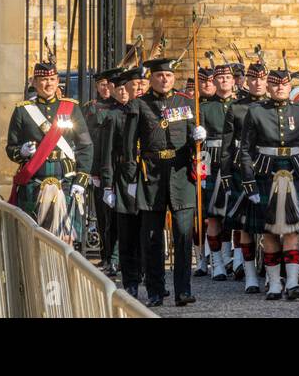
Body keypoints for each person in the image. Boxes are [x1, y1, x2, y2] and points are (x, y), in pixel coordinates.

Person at [111, 57, 206, 309]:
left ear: (174, 78)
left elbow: (196, 142)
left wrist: (200, 138)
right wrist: (131, 180)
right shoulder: (139, 105)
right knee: (152, 237)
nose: (165, 79)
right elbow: (130, 146)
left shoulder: (186, 103)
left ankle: (183, 290)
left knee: (183, 236)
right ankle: (155, 290)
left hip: (180, 175)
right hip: (151, 175)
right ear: (151, 78)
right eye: (160, 75)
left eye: (169, 76)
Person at [240, 63, 299, 301]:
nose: (280, 88)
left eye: (284, 84)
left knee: (293, 231)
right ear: (269, 86)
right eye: (275, 84)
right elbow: (245, 151)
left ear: (290, 85)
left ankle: (294, 283)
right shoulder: (256, 112)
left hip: (295, 174)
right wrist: (250, 185)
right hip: (266, 174)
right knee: (270, 233)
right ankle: (275, 283)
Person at [5, 61, 94, 246]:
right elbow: (11, 148)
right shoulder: (23, 110)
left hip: (66, 181)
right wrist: (21, 152)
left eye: (52, 79)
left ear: (58, 81)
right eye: (43, 80)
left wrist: (82, 178)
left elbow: (85, 145)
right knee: (32, 237)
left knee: (67, 238)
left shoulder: (70, 108)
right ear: (34, 82)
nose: (49, 84)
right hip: (34, 181)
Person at [222, 59, 268, 291]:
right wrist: (226, 174)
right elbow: (227, 145)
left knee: (272, 226)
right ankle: (249, 274)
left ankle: (272, 275)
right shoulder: (236, 108)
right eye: (253, 79)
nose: (258, 83)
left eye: (262, 79)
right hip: (244, 170)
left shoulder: (274, 106)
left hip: (269, 170)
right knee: (244, 226)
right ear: (247, 81)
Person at [101, 67, 144, 296]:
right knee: (126, 232)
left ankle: (146, 273)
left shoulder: (145, 110)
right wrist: (107, 184)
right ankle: (130, 280)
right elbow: (107, 153)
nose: (132, 90)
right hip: (124, 178)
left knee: (145, 232)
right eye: (129, 86)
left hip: (146, 177)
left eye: (137, 85)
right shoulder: (113, 116)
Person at [82, 69, 122, 278]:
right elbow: (86, 142)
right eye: (102, 85)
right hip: (98, 169)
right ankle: (107, 256)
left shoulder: (121, 108)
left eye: (109, 84)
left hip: (118, 167)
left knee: (118, 216)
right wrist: (90, 171)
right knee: (103, 217)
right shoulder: (90, 109)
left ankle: (116, 258)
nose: (106, 88)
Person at [198, 64, 234, 280]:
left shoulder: (240, 105)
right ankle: (217, 262)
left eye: (228, 77)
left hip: (234, 159)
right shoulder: (204, 107)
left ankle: (236, 259)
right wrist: (202, 172)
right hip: (212, 160)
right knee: (213, 216)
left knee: (236, 214)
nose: (224, 81)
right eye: (220, 78)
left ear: (232, 80)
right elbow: (199, 148)